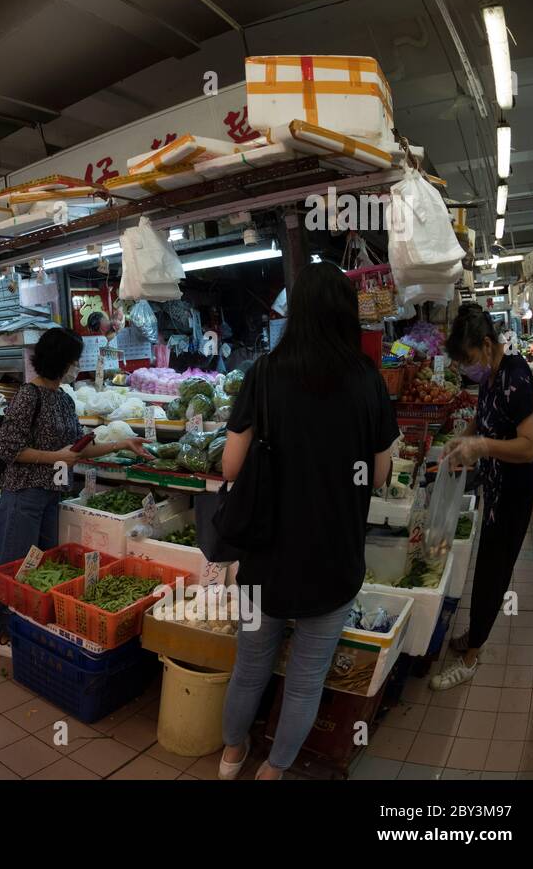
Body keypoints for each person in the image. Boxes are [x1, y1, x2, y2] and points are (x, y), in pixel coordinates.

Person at [217, 262, 398, 779]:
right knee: (305, 679)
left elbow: (231, 466)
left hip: (265, 558)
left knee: (250, 666)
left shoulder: (265, 373)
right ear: (346, 315)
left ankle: (231, 755)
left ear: (295, 314)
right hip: (333, 558)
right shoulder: (367, 380)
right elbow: (381, 475)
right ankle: (274, 770)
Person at [0, 327, 149, 657]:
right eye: (73, 360)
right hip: (24, 493)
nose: (77, 365)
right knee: (14, 565)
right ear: (60, 361)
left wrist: (123, 444)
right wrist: (56, 456)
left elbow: (79, 449)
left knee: (43, 565)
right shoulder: (28, 396)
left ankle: (29, 625)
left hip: (52, 494)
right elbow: (7, 448)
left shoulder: (62, 398)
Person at [429, 304, 533, 690]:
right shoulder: (491, 378)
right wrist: (462, 440)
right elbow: (484, 415)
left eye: (470, 360)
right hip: (494, 489)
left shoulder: (517, 376)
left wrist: (483, 447)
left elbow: (529, 448)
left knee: (494, 572)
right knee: (486, 566)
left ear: (488, 345)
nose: (467, 370)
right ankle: (474, 633)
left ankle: (473, 657)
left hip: (514, 495)